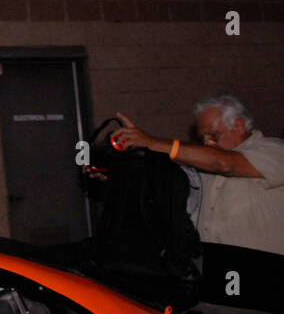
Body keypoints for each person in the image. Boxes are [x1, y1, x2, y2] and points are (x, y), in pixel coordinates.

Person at [113, 95, 284, 255]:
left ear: (239, 126)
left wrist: (151, 142)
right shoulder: (206, 160)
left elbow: (225, 164)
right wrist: (118, 176)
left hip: (266, 270)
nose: (207, 142)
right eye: (203, 137)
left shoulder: (274, 150)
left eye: (214, 135)